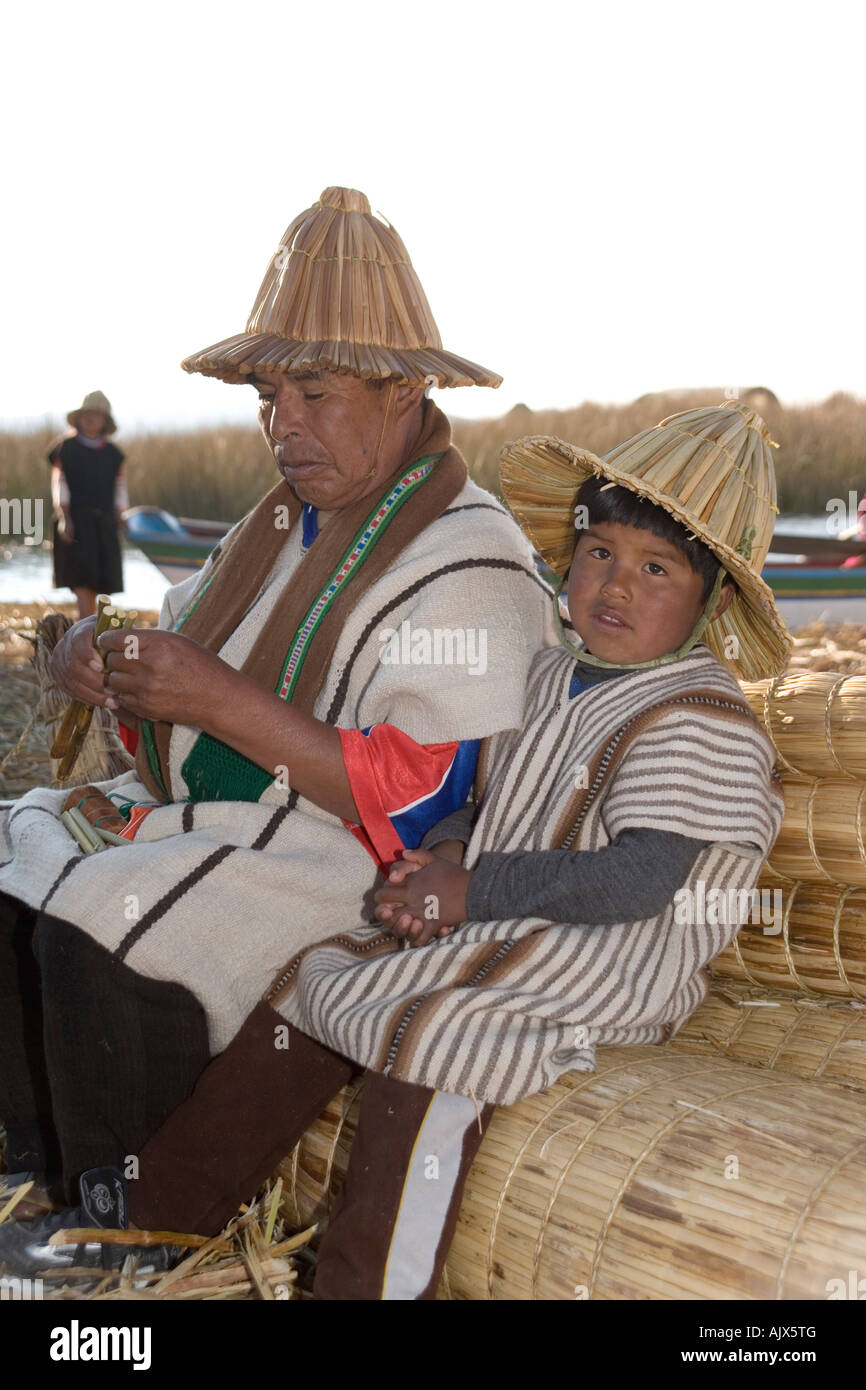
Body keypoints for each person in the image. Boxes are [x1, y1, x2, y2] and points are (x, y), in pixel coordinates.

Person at [0, 403, 789, 1297]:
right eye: (600, 551)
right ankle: (149, 1228)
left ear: (714, 599)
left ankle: (365, 1286)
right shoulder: (551, 675)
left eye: (657, 570)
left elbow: (641, 877)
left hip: (602, 956)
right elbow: (487, 800)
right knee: (314, 986)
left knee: (439, 1046)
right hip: (498, 926)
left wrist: (470, 887)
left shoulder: (699, 718)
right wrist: (439, 858)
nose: (615, 587)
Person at [0, 188, 550, 1254]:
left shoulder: (469, 557)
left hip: (356, 863)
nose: (279, 421)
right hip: (215, 812)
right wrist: (99, 668)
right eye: (266, 393)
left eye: (311, 389)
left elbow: (428, 795)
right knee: (18, 852)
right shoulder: (275, 525)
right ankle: (32, 1155)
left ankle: (118, 1218)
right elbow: (176, 663)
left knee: (109, 917)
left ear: (402, 392)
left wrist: (214, 700)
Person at [48, 390, 128, 619]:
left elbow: (119, 486)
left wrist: (119, 515)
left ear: (105, 420)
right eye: (87, 414)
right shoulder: (66, 448)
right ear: (80, 417)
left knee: (102, 578)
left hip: (103, 522)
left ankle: (97, 631)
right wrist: (65, 517)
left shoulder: (113, 454)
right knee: (81, 578)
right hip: (76, 521)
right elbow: (59, 483)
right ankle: (86, 626)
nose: (91, 418)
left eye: (96, 415)